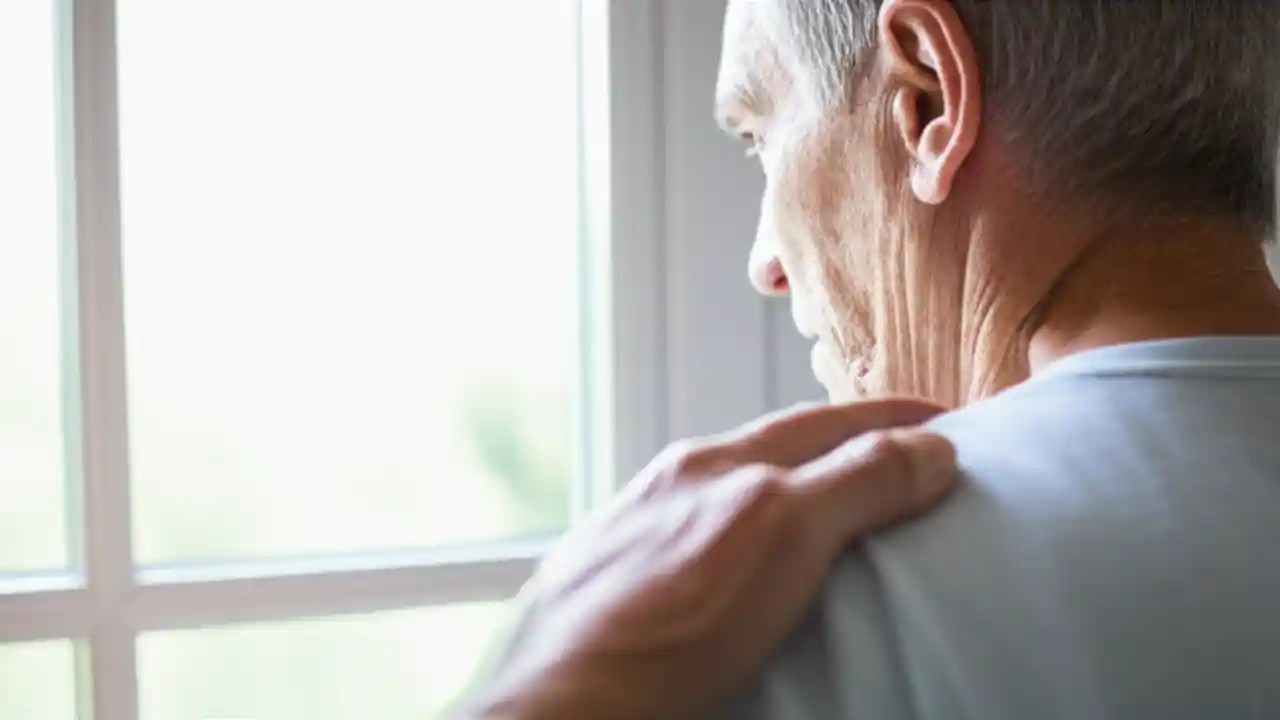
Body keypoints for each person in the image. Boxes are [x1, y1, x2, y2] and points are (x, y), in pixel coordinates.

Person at [464, 0, 1280, 716]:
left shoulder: (756, 615)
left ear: (925, 100)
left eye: (760, 136)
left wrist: (544, 686)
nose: (764, 264)